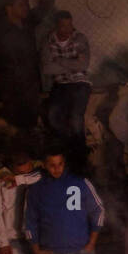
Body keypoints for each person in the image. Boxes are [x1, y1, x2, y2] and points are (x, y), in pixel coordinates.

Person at [0, 0, 60, 131]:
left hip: (30, 85)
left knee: (32, 124)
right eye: (20, 5)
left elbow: (43, 7)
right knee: (18, 126)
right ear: (9, 8)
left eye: (25, 5)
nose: (25, 8)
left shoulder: (27, 23)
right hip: (12, 89)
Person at [42, 11, 92, 158]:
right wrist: (73, 63)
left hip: (80, 83)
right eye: (64, 26)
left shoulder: (80, 38)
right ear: (57, 26)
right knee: (53, 116)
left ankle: (80, 155)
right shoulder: (48, 42)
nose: (68, 29)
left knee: (76, 118)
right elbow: (46, 68)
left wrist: (59, 61)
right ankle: (67, 151)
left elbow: (83, 65)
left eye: (70, 25)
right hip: (60, 84)